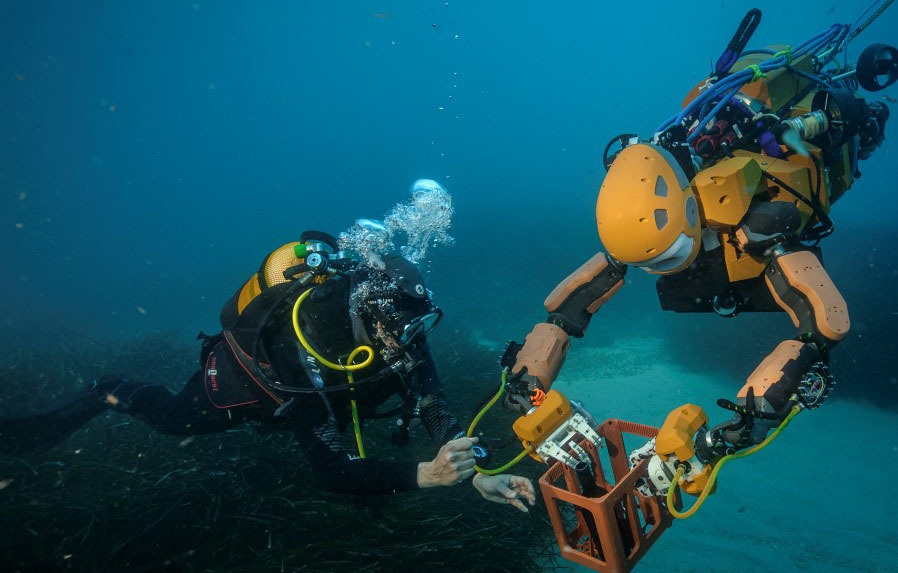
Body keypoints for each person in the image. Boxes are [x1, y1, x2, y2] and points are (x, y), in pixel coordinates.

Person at [499, 9, 898, 490]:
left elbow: (825, 322)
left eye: (664, 260)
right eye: (646, 262)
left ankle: (868, 122)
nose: (656, 270)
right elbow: (564, 311)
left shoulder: (755, 221)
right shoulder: (647, 214)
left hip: (791, 155)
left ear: (691, 217)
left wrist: (726, 436)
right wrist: (529, 387)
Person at [0, 186, 535, 513]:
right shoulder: (303, 345)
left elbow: (432, 402)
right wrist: (426, 475)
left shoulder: (401, 328)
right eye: (399, 331)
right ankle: (107, 392)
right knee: (176, 421)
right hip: (250, 382)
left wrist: (477, 474)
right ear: (367, 316)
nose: (410, 347)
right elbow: (332, 473)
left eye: (418, 330)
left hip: (333, 388)